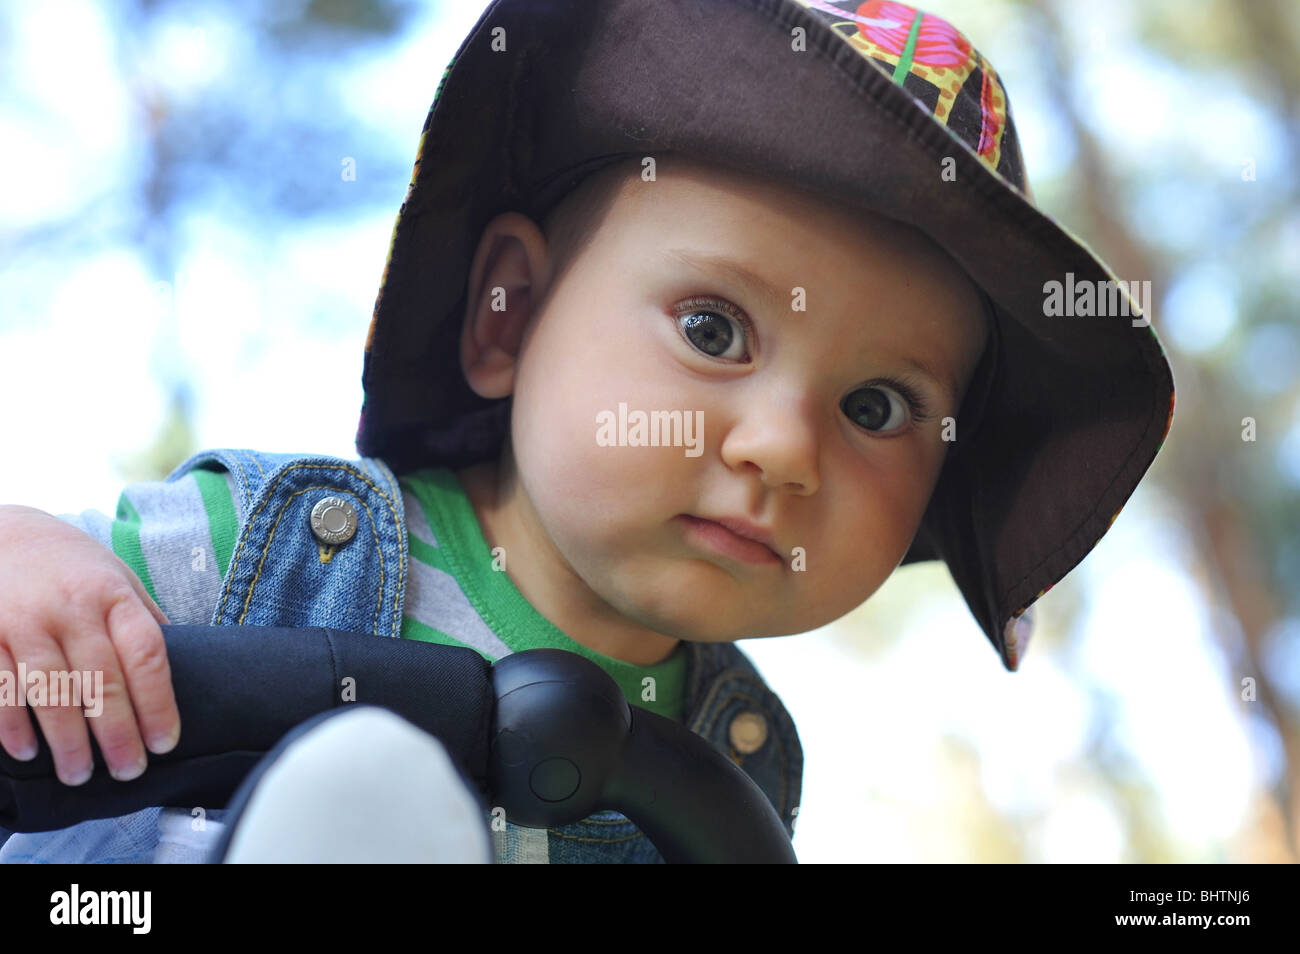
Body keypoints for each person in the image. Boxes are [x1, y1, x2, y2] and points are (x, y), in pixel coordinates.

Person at [0, 0, 1174, 863]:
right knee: (351, 791)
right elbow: (43, 617)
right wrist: (26, 559)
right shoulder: (289, 551)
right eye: (714, 329)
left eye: (875, 408)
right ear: (508, 313)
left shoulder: (742, 770)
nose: (784, 448)